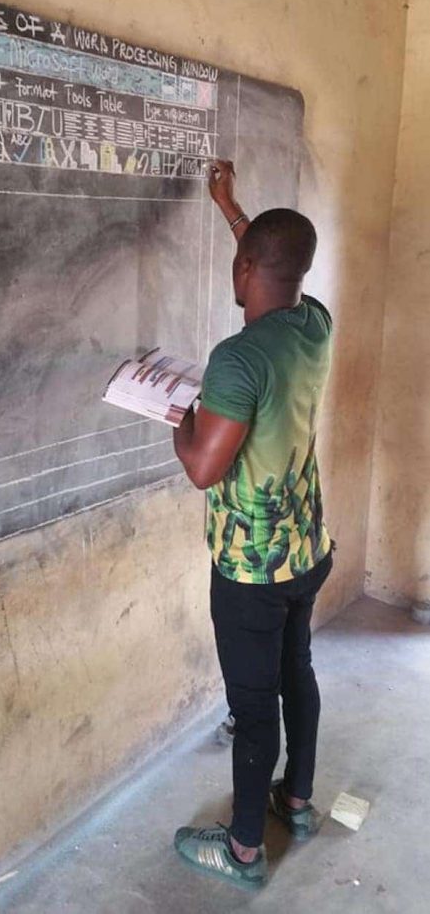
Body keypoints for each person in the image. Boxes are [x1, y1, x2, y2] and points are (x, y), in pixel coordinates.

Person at [172, 160, 334, 892]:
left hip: (250, 569)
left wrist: (182, 421)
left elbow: (204, 469)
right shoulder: (314, 321)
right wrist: (228, 206)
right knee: (294, 671)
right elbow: (269, 256)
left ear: (242, 270)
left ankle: (241, 849)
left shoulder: (234, 361)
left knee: (251, 699)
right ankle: (293, 801)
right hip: (306, 549)